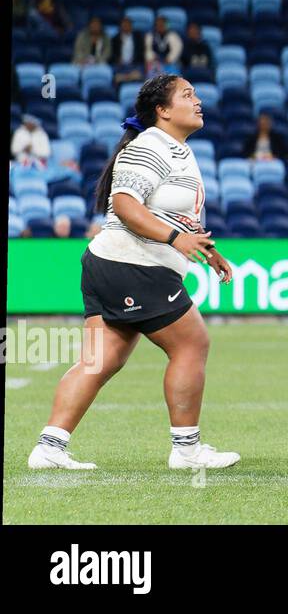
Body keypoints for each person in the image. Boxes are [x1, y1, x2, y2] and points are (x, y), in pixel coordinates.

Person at [27, 74, 239, 472]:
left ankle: (49, 447)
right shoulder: (150, 146)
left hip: (112, 263)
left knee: (99, 360)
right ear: (162, 110)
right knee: (191, 344)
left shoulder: (177, 149)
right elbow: (125, 205)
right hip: (133, 264)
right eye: (187, 95)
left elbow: (168, 212)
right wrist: (177, 240)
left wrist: (206, 250)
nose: (198, 101)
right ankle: (186, 450)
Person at [110, 16, 145, 85]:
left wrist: (134, 60)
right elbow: (112, 54)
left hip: (134, 64)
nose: (126, 26)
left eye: (128, 24)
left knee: (138, 75)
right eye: (124, 25)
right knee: (116, 77)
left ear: (131, 26)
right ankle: (125, 78)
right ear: (120, 26)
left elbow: (141, 53)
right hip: (120, 66)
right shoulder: (115, 39)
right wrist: (118, 60)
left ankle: (129, 78)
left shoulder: (138, 38)